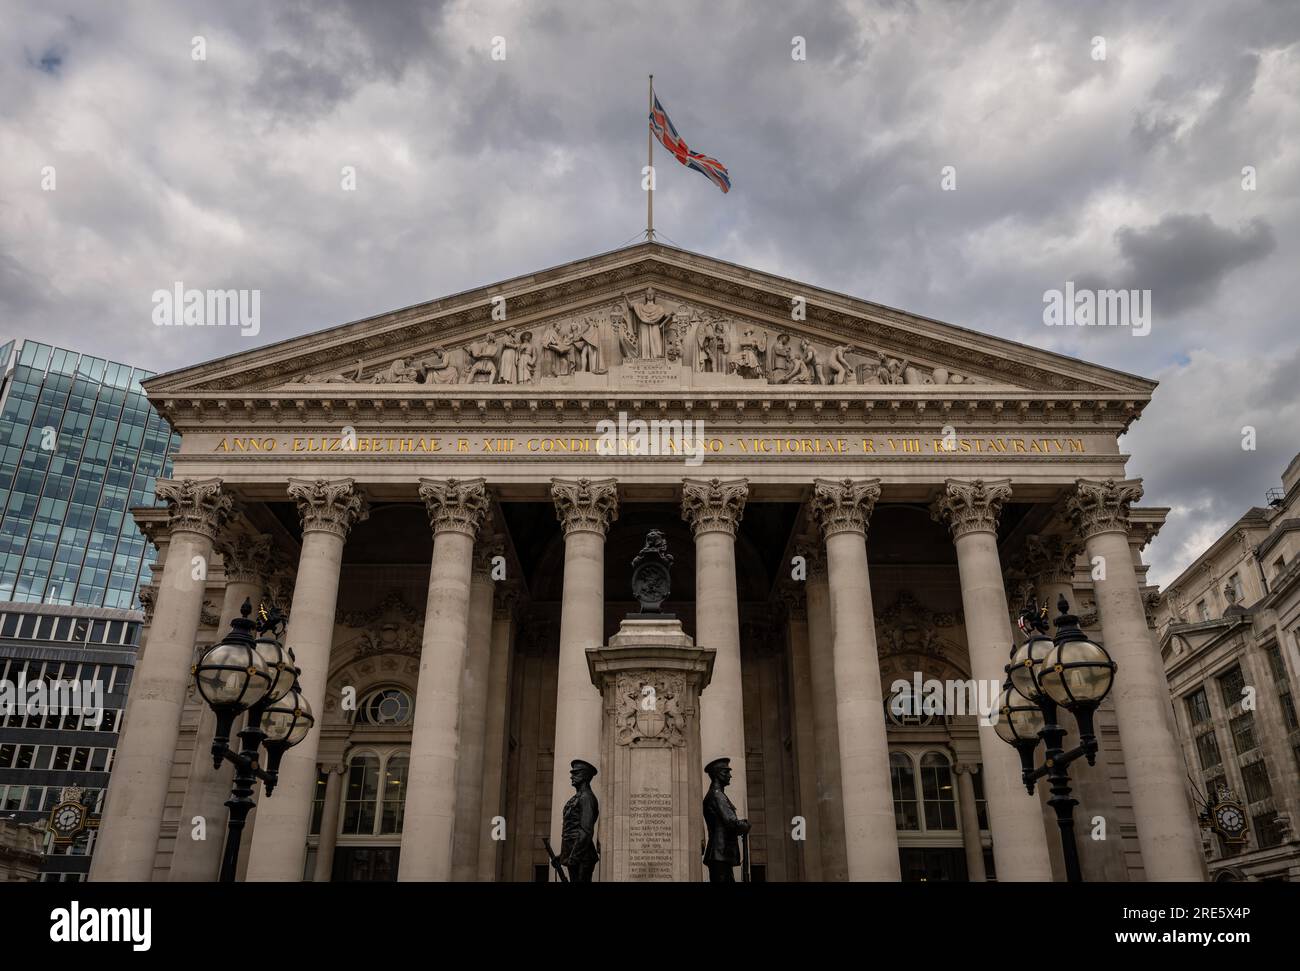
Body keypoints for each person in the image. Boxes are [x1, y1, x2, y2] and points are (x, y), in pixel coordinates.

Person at [702, 757, 750, 883]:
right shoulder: (717, 795)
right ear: (718, 774)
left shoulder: (717, 794)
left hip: (721, 854)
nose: (730, 775)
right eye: (726, 772)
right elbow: (732, 823)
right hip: (720, 854)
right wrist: (745, 825)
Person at [559, 759, 600, 882]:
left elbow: (585, 831)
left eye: (575, 773)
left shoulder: (586, 798)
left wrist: (574, 856)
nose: (571, 776)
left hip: (582, 856)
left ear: (585, 776)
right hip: (575, 854)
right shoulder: (578, 797)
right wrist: (563, 855)